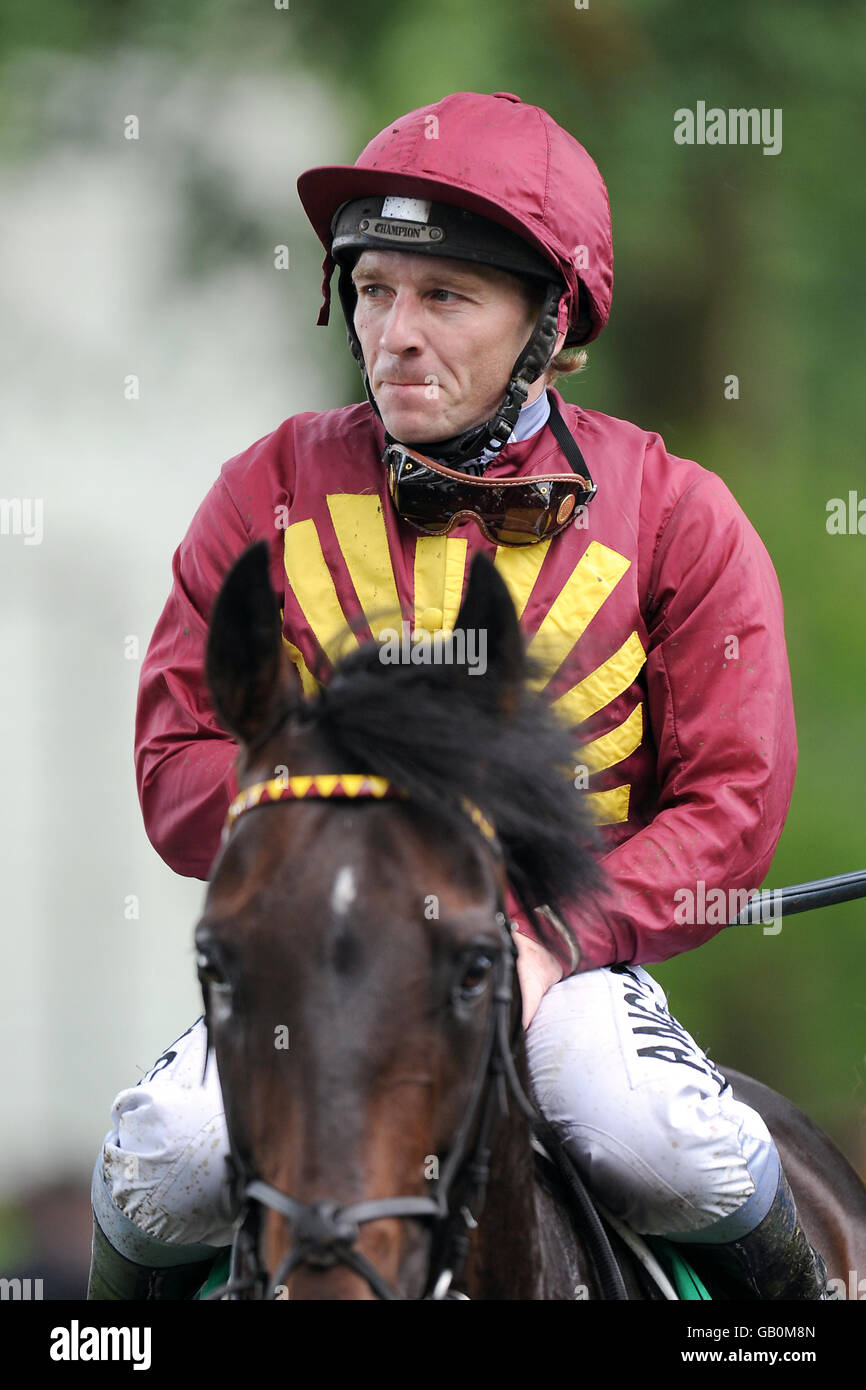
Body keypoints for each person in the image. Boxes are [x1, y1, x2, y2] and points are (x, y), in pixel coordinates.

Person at [87, 90, 825, 1300]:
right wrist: (340, 809)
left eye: (444, 296)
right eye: (374, 289)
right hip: (317, 961)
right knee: (168, 1156)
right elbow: (174, 762)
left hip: (566, 966)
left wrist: (553, 938)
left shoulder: (682, 515)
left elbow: (732, 806)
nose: (395, 334)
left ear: (549, 324)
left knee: (662, 1141)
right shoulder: (258, 491)